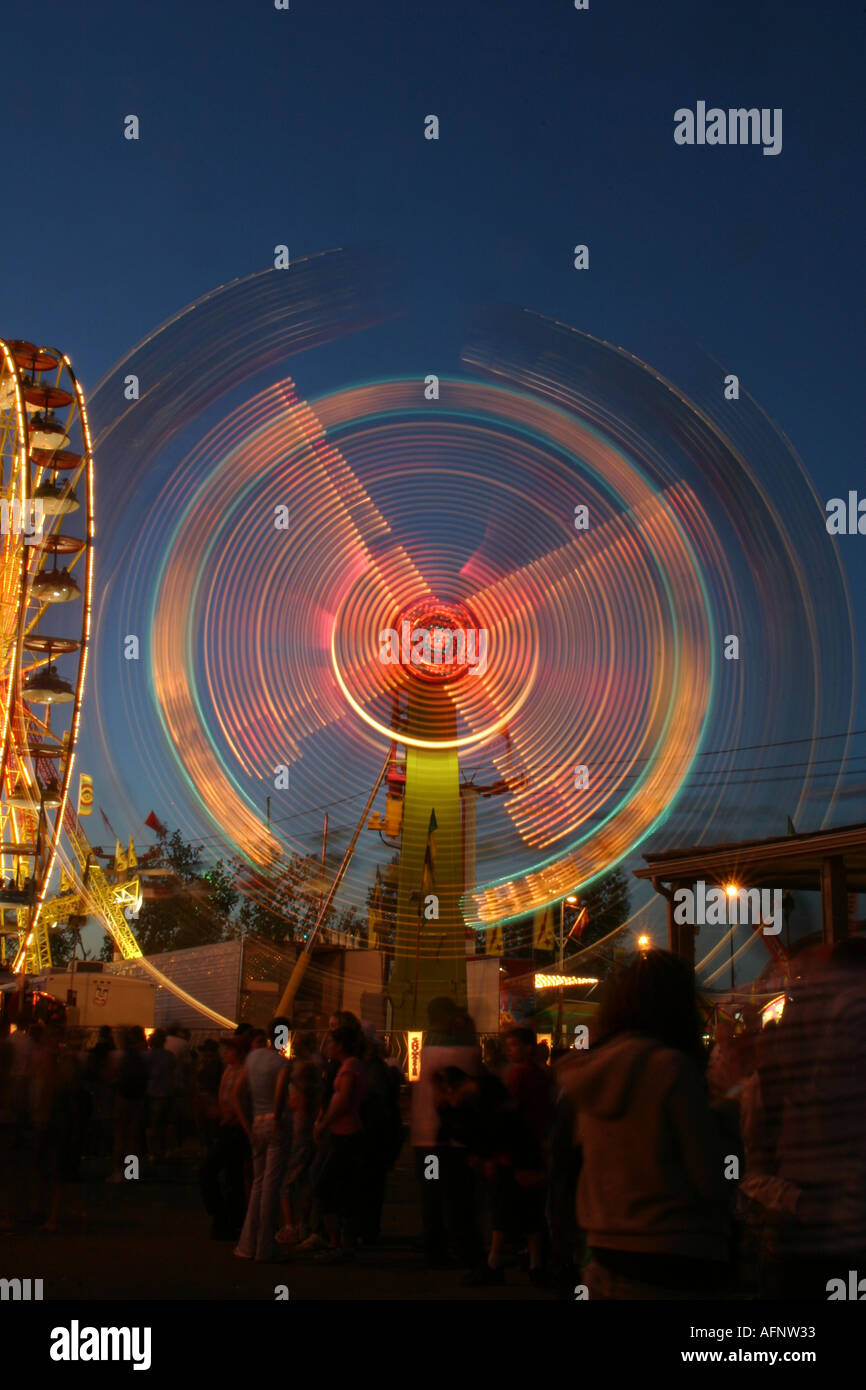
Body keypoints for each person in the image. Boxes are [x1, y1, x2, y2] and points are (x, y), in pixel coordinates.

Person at [558, 949, 731, 1299]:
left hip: (604, 1254)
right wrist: (729, 1112)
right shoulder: (672, 1070)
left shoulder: (590, 1072)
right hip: (674, 1253)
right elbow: (710, 1178)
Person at [410, 997, 482, 1268]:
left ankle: (433, 1244)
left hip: (424, 1140)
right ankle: (458, 1248)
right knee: (457, 1196)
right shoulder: (468, 1054)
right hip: (454, 1142)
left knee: (431, 1193)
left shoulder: (426, 1050)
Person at [232, 1020, 290, 1262]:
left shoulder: (253, 1058)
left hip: (256, 1121)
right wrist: (277, 1117)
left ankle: (246, 1244)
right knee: (271, 1184)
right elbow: (279, 1094)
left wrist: (247, 1126)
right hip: (275, 1123)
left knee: (257, 1182)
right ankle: (265, 1247)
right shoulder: (282, 1063)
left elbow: (237, 1093)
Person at [310, 1024, 367, 1262]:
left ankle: (339, 1244)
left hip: (344, 1135)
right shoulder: (349, 1066)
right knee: (336, 1188)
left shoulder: (350, 1066)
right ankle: (342, 1243)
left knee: (325, 1187)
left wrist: (323, 1124)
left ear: (341, 1045)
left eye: (331, 1042)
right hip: (342, 1133)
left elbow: (343, 1101)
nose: (328, 1048)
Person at [200, 1035, 249, 1240]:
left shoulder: (243, 1072)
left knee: (214, 1171)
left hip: (235, 1129)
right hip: (227, 1127)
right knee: (232, 1175)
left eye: (229, 1049)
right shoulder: (228, 1070)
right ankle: (230, 1219)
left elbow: (240, 1101)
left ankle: (225, 1218)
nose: (225, 1052)